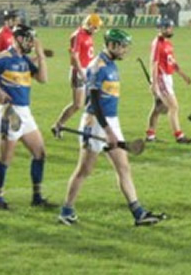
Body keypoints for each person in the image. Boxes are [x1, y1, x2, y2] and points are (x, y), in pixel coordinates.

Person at [58, 29, 167, 227]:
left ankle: (138, 213)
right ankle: (66, 211)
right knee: (85, 170)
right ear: (112, 45)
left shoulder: (111, 65)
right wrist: (107, 131)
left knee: (124, 167)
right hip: (97, 123)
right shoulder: (97, 67)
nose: (126, 50)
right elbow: (94, 102)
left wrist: (111, 127)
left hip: (110, 121)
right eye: (123, 46)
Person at [0, 24, 53, 209]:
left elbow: (43, 79)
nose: (32, 43)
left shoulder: (25, 60)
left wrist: (40, 56)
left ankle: (37, 197)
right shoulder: (3, 58)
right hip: (10, 113)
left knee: (40, 154)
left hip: (25, 112)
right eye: (29, 39)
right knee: (5, 158)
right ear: (18, 39)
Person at [52, 13, 102, 138]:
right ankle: (58, 125)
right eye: (94, 27)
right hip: (79, 72)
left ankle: (90, 128)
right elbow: (75, 56)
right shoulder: (78, 35)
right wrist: (81, 73)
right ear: (88, 24)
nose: (96, 30)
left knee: (91, 102)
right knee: (77, 104)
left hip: (87, 71)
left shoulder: (88, 35)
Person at [145, 18, 191, 144]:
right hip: (161, 77)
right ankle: (179, 136)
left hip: (167, 77)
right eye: (167, 28)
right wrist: (154, 83)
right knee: (173, 107)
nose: (170, 30)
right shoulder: (157, 43)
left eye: (171, 27)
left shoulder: (168, 43)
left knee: (158, 107)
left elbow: (172, 62)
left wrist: (183, 75)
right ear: (160, 28)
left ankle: (150, 135)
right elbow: (153, 63)